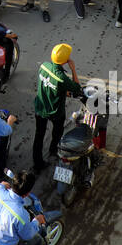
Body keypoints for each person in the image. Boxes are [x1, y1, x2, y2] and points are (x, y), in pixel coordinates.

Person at [32, 44, 84, 172]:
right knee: (57, 131)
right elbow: (77, 88)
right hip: (55, 111)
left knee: (39, 135)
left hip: (40, 107)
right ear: (65, 60)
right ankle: (53, 149)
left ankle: (37, 164)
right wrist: (73, 69)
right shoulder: (61, 78)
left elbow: (48, 84)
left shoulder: (43, 66)